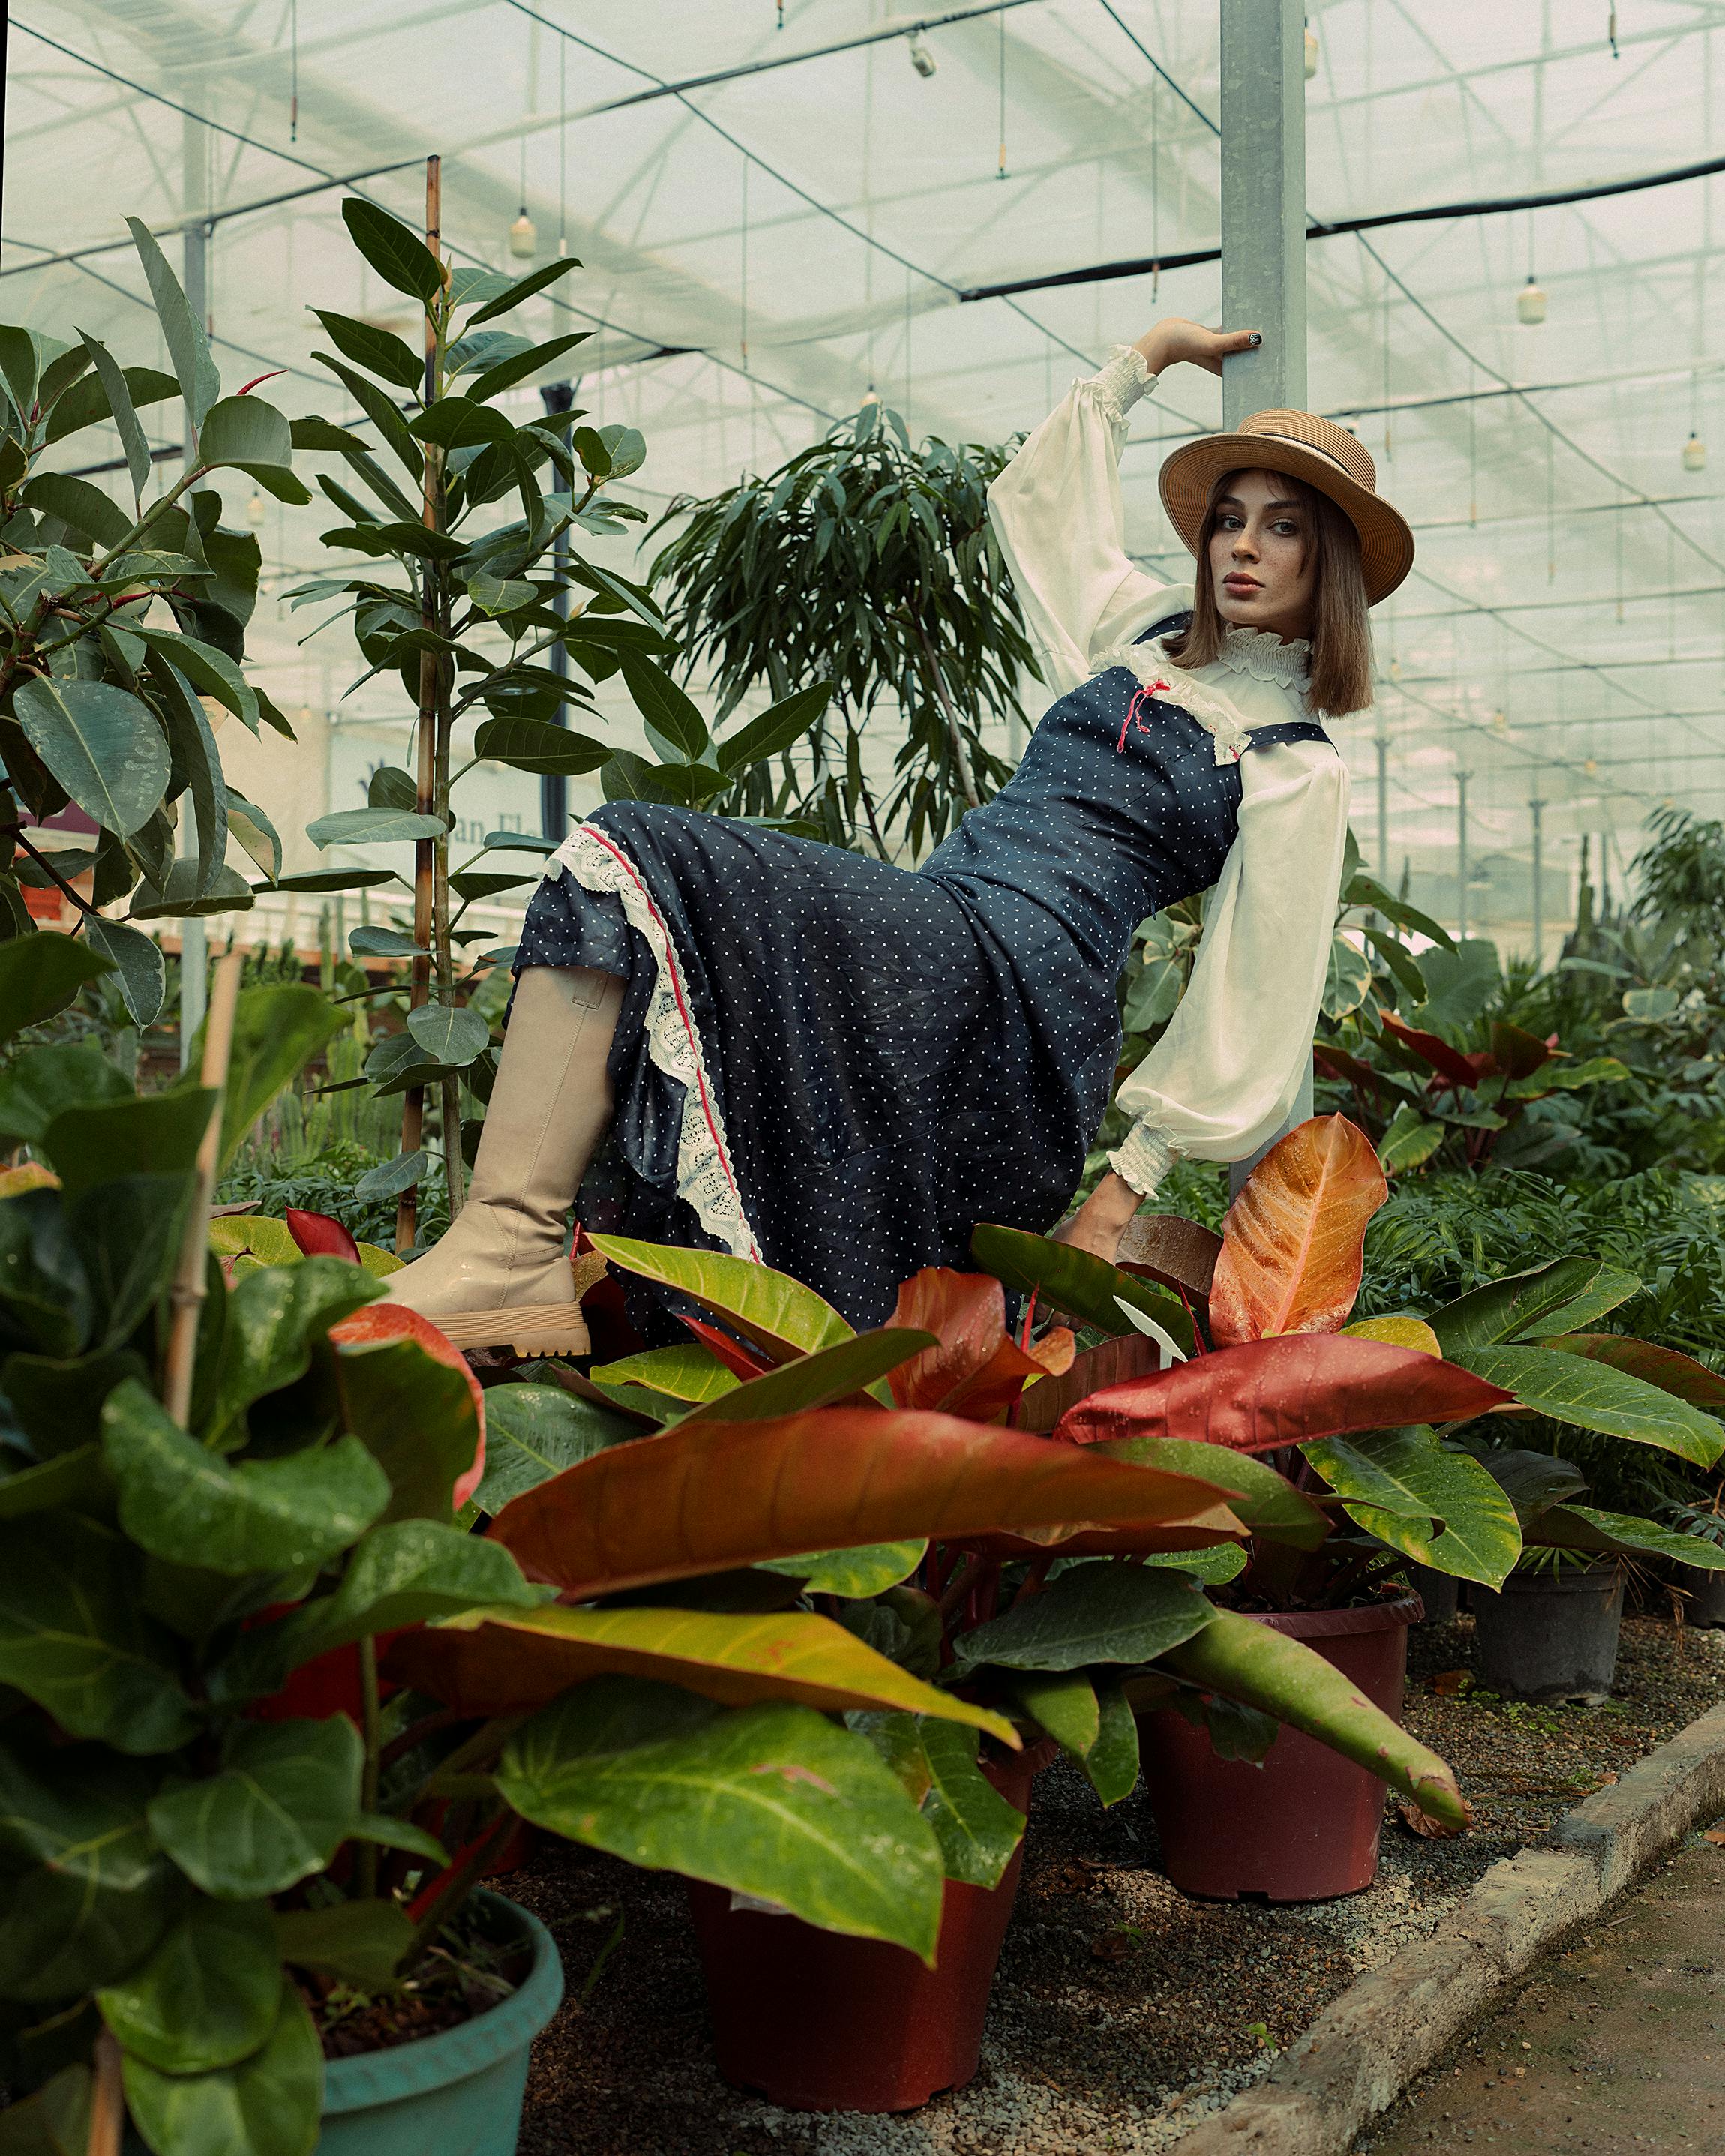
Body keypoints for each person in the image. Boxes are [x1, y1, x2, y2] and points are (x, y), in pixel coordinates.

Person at [381, 317, 1414, 1354]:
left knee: (639, 846)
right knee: (648, 893)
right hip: (947, 917)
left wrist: (1117, 1199)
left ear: (1326, 558)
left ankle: (511, 1245)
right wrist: (1141, 363)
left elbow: (1254, 1007)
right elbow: (1045, 507)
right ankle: (512, 1246)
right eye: (1228, 518)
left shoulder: (1295, 761)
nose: (1241, 544)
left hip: (1026, 989)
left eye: (1281, 527)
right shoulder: (1143, 633)